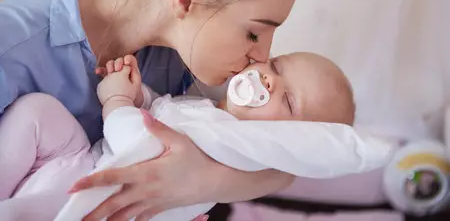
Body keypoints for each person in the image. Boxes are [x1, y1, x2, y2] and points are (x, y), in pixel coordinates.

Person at [0, 0, 306, 219]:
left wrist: (198, 185)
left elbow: (290, 160)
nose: (262, 57)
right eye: (254, 33)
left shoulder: (182, 53)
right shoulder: (12, 46)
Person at [0, 52, 354, 220]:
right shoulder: (213, 112)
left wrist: (118, 101)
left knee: (20, 216)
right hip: (86, 161)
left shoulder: (228, 150)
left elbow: (139, 148)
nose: (269, 80)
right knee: (38, 111)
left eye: (289, 100)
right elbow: (167, 112)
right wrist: (142, 97)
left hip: (96, 202)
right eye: (275, 66)